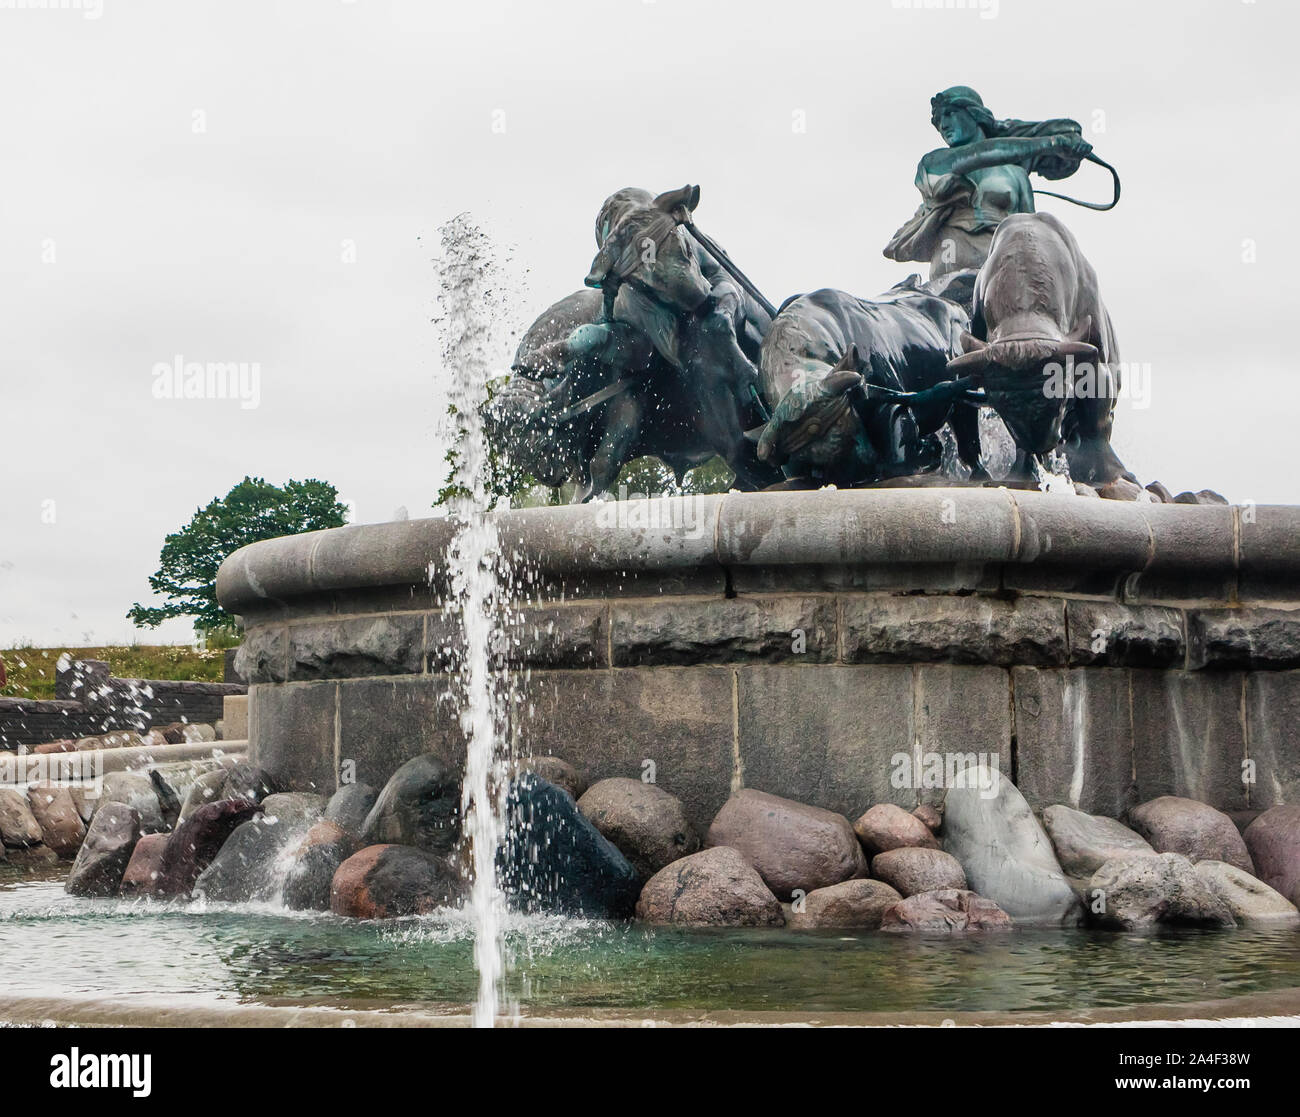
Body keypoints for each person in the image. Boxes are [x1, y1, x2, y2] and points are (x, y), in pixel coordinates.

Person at [884, 86, 1096, 280]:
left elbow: (1031, 233)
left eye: (950, 114)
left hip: (1005, 268)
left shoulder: (1015, 174)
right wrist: (1052, 143)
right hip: (952, 267)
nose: (943, 125)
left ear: (974, 114)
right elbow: (978, 154)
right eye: (938, 121)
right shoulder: (935, 162)